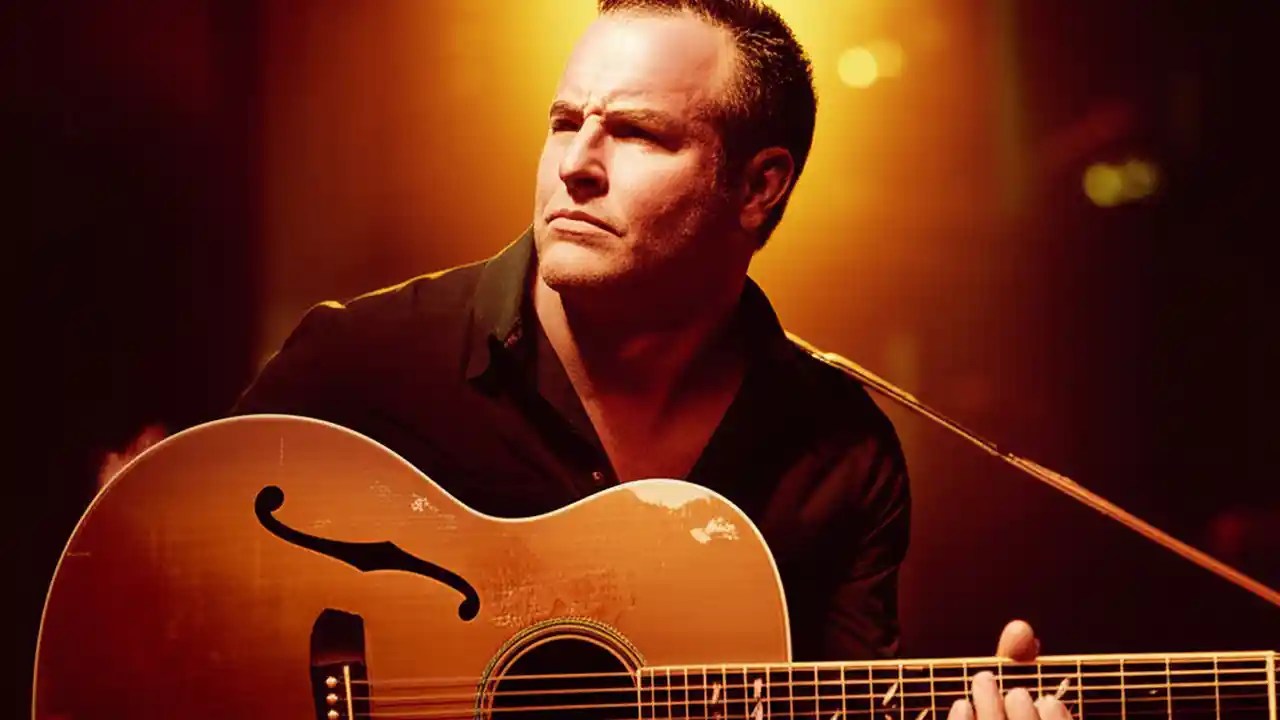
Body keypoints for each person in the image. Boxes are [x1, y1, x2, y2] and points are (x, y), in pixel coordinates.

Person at [232, 2, 1070, 719]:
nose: (575, 166)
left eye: (636, 133)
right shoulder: (361, 363)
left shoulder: (841, 459)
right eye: (565, 123)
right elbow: (167, 583)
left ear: (759, 187)